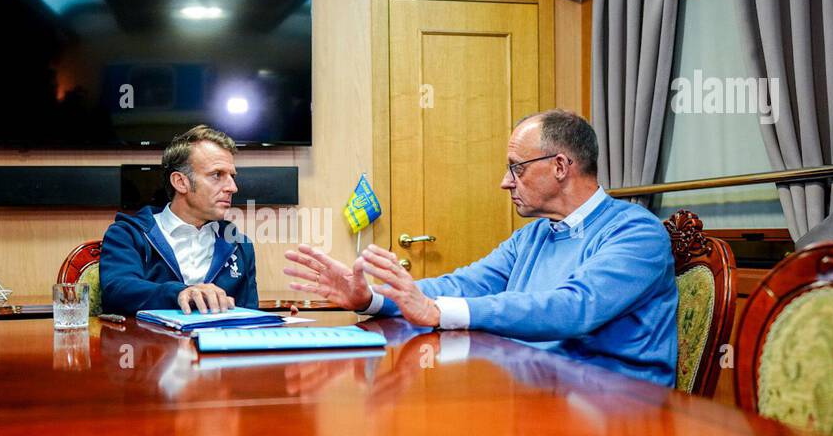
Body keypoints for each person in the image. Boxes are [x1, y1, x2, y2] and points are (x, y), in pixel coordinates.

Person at [284, 109, 679, 386]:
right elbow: (464, 285)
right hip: (536, 385)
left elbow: (572, 309)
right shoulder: (535, 235)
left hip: (618, 406)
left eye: (516, 168)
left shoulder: (636, 232)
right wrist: (370, 298)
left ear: (560, 166)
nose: (505, 182)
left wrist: (437, 311)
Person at [101, 125, 259, 315]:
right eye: (217, 175)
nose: (232, 187)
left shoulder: (240, 246)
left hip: (217, 343)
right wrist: (180, 293)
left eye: (232, 176)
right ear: (180, 182)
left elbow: (250, 317)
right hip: (151, 344)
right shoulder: (128, 234)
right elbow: (116, 292)